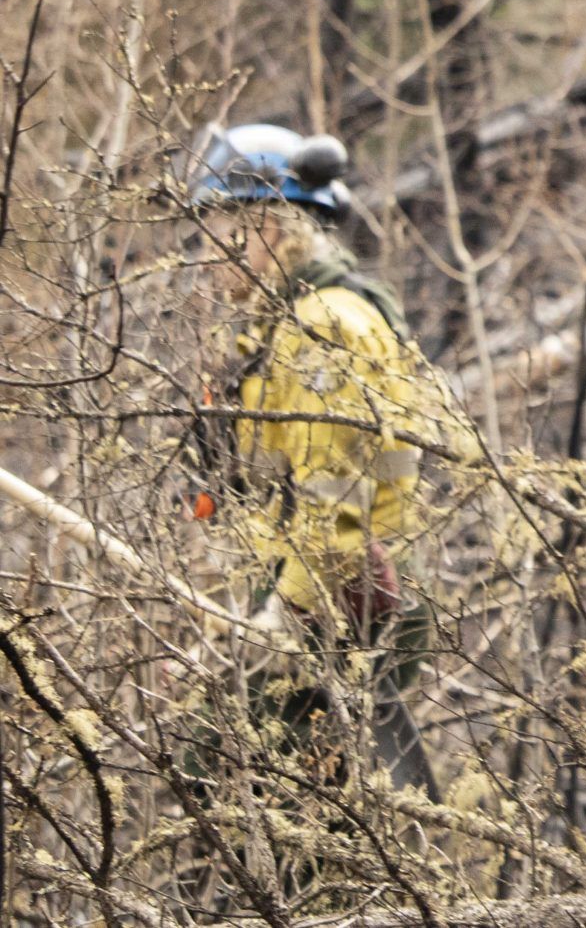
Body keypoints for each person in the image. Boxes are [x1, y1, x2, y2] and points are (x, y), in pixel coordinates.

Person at [182, 122, 451, 808]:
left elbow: (335, 506)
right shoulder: (274, 323)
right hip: (311, 593)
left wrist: (281, 620)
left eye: (220, 231)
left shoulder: (322, 327)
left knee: (240, 783)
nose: (207, 254)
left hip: (341, 600)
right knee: (240, 784)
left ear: (269, 227)